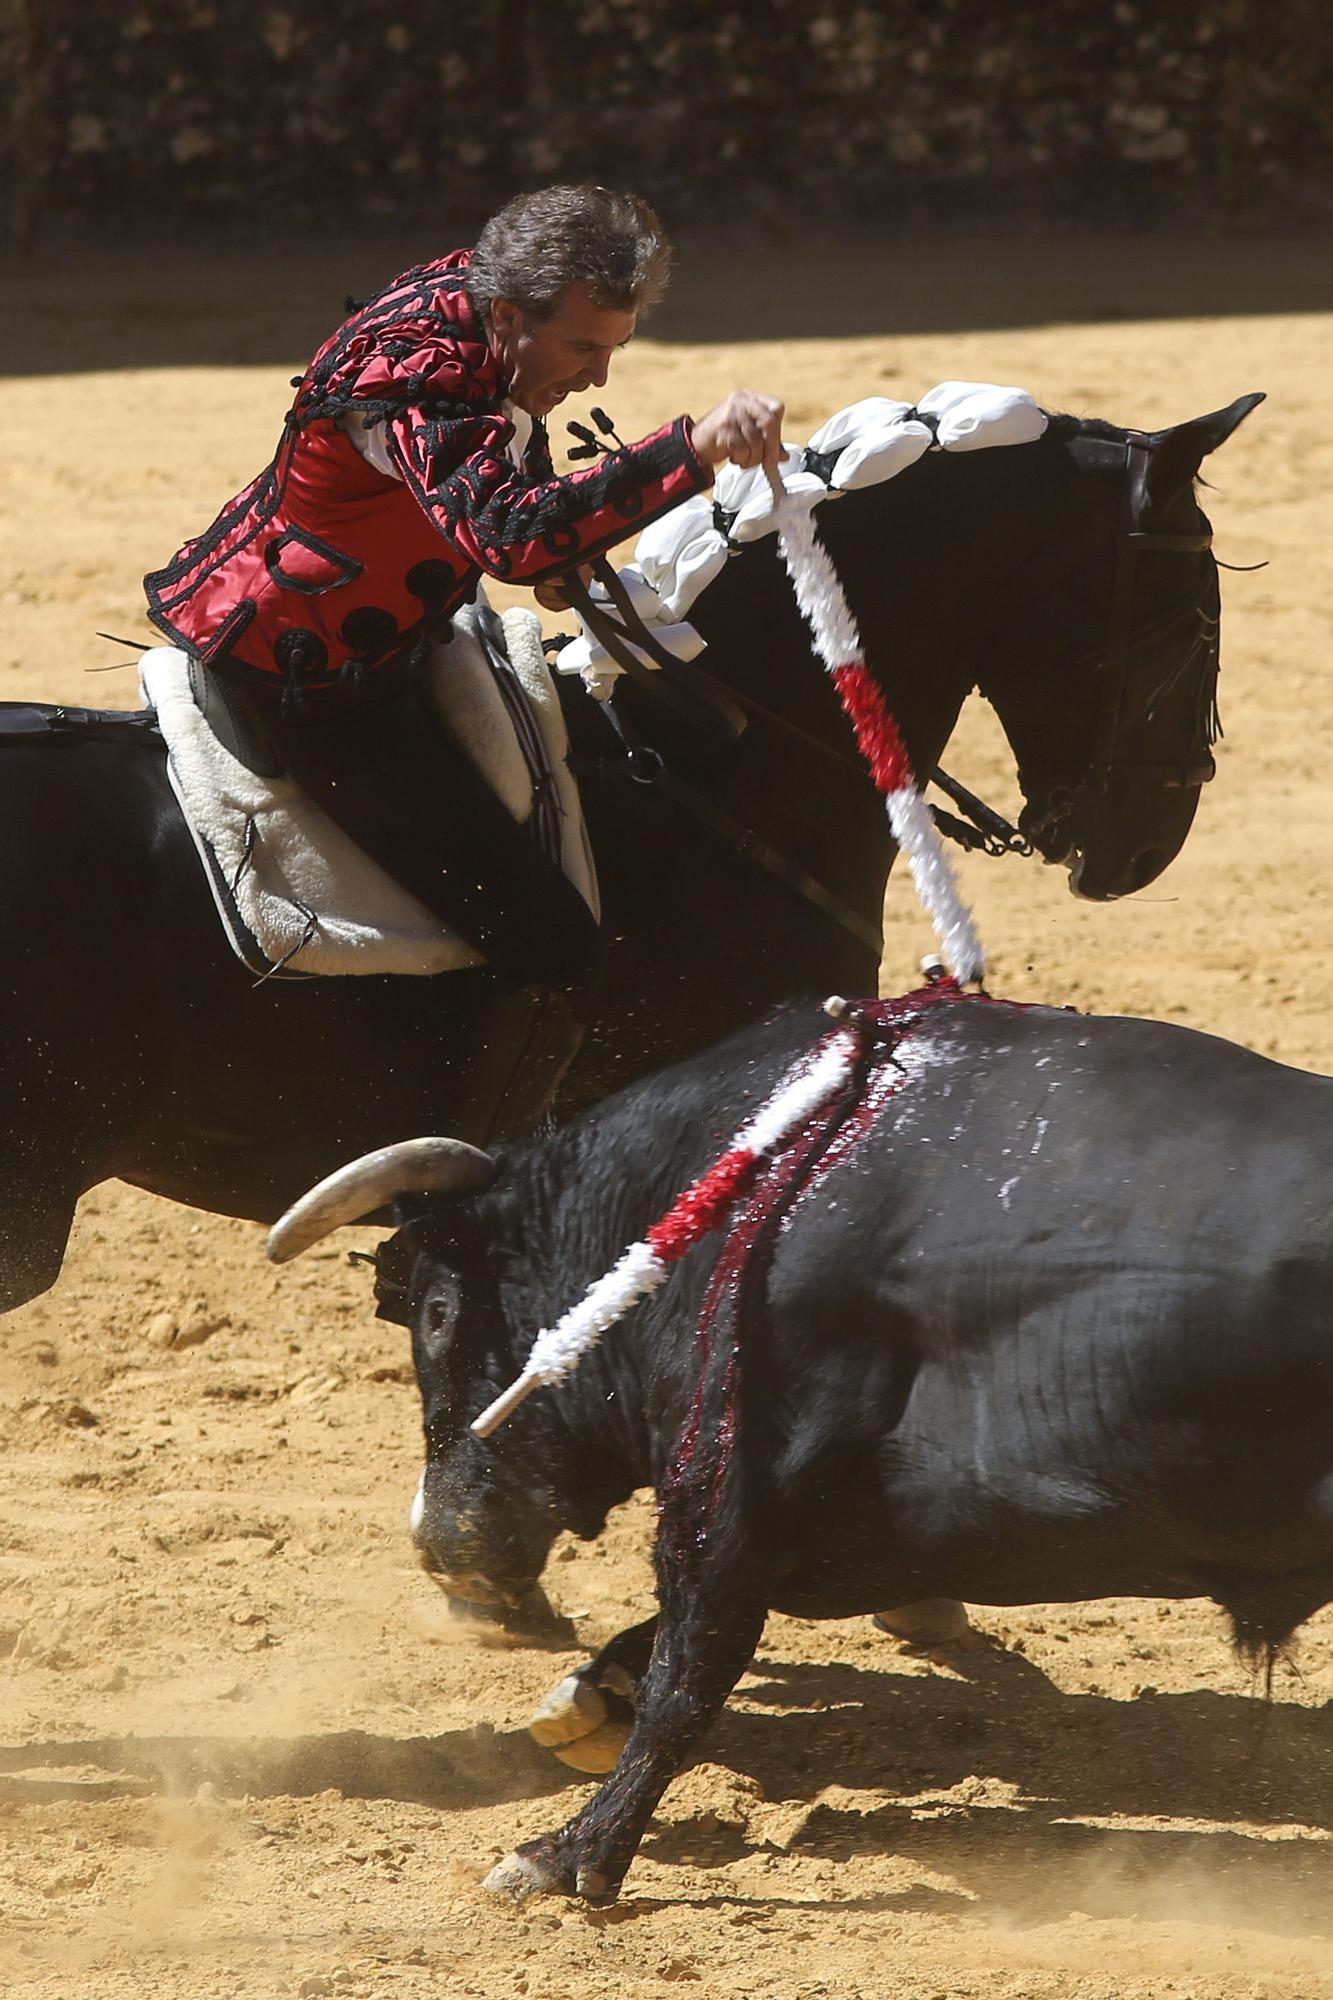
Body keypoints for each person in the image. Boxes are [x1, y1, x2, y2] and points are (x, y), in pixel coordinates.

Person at [142, 184, 785, 1004]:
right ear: (512, 315)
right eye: (585, 348)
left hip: (386, 621)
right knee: (548, 945)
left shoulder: (474, 298)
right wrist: (689, 450)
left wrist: (566, 549)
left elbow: (500, 438)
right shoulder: (419, 378)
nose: (598, 377)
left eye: (614, 348)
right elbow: (507, 538)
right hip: (314, 677)